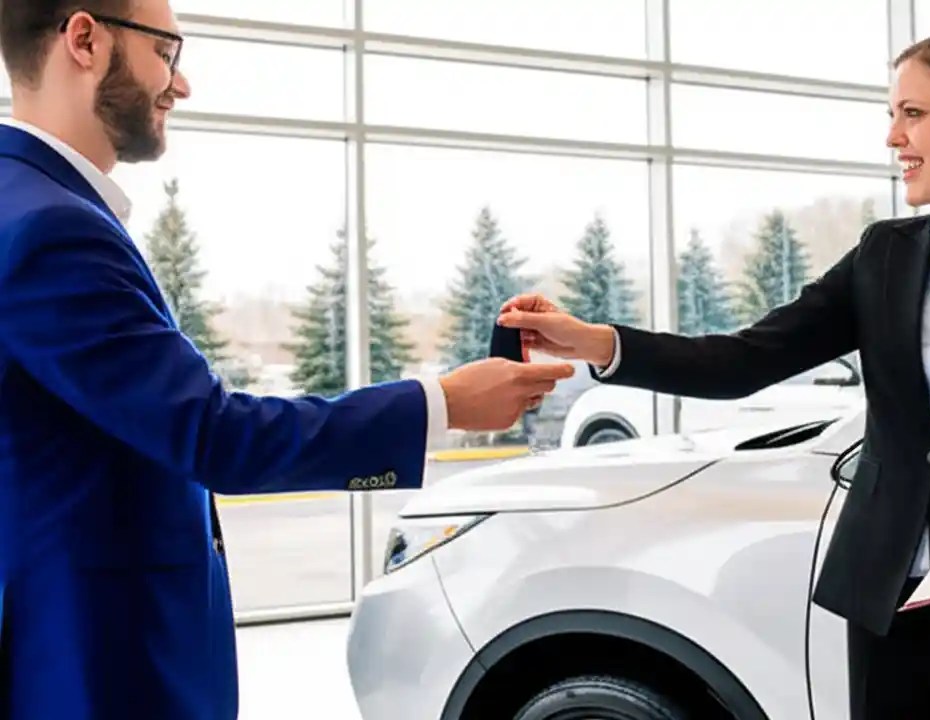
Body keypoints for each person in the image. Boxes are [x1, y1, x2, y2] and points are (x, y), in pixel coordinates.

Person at [498, 22, 930, 720]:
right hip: (885, 613)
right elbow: (746, 360)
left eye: (913, 114)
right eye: (892, 115)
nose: (894, 137)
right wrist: (597, 343)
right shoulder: (884, 256)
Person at [0, 1, 574, 718]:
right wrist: (446, 403)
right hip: (97, 663)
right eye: (166, 52)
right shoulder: (52, 227)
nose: (180, 84)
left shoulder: (29, 204)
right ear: (83, 39)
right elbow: (215, 435)